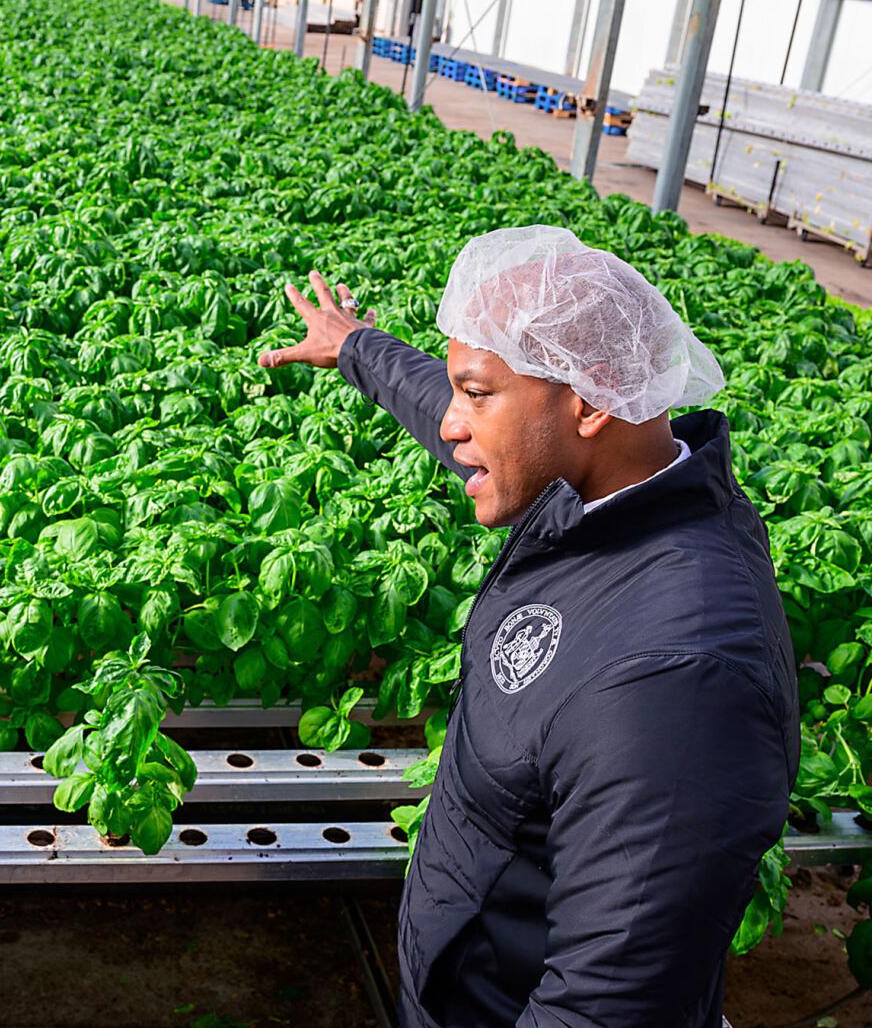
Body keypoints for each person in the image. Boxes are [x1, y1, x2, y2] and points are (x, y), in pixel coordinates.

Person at [261, 226, 797, 1026]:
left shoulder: (673, 677)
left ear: (588, 398)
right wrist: (357, 349)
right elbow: (479, 418)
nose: (450, 424)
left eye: (475, 394)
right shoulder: (602, 487)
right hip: (468, 977)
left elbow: (607, 1005)